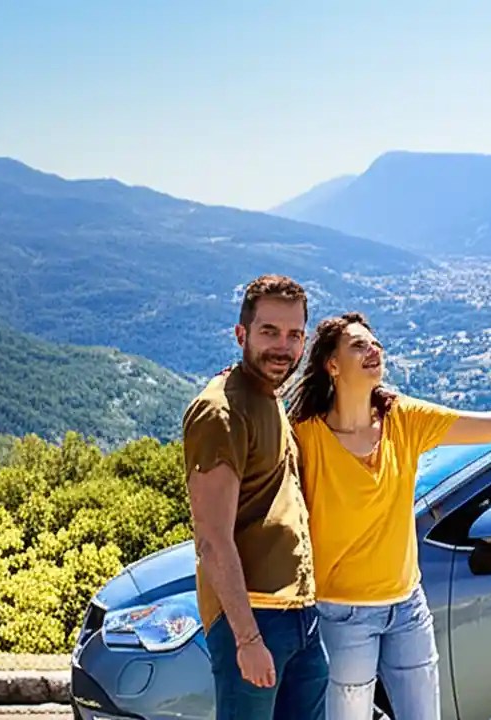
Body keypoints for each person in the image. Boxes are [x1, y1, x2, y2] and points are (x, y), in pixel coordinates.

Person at [285, 311, 491, 720]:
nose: (373, 349)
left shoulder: (403, 419)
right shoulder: (305, 433)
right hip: (343, 613)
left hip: (407, 606)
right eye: (358, 345)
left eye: (374, 343)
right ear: (332, 365)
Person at [182, 274, 328, 720]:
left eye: (294, 334)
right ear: (241, 333)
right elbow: (211, 538)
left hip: (300, 614)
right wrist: (247, 640)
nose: (283, 346)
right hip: (255, 619)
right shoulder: (221, 411)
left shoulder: (269, 398)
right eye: (269, 332)